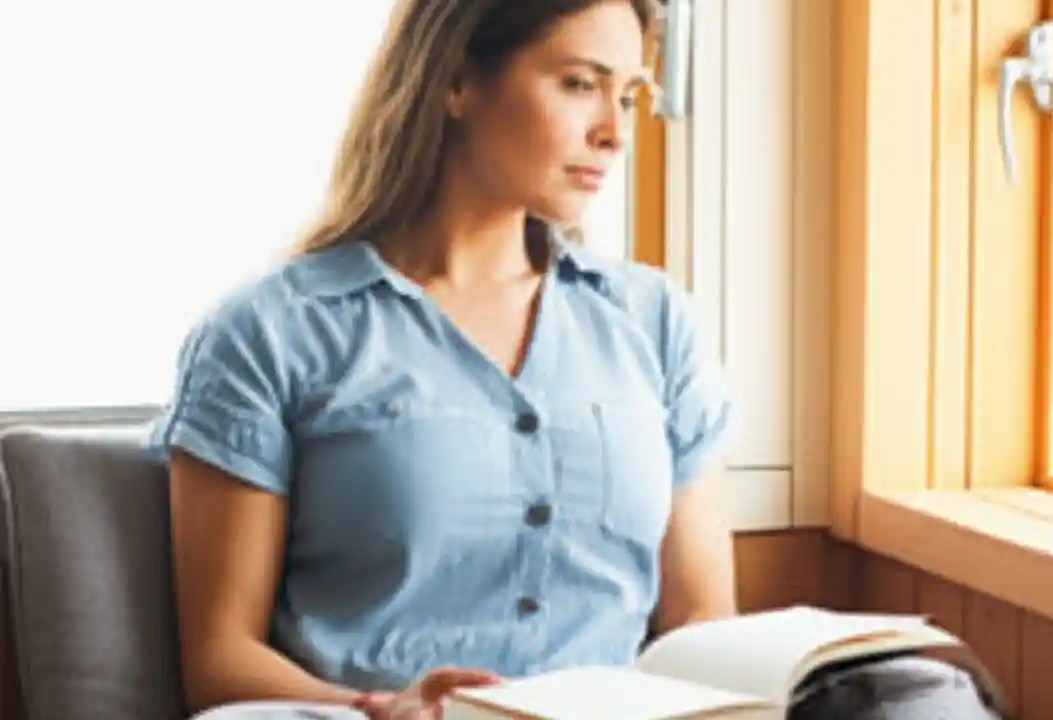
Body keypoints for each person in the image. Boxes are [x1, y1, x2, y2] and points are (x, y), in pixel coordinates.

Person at [144, 1, 739, 718]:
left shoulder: (655, 322)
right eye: (580, 84)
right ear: (456, 80)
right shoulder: (270, 332)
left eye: (630, 95)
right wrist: (382, 706)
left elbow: (703, 626)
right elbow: (221, 660)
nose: (614, 133)